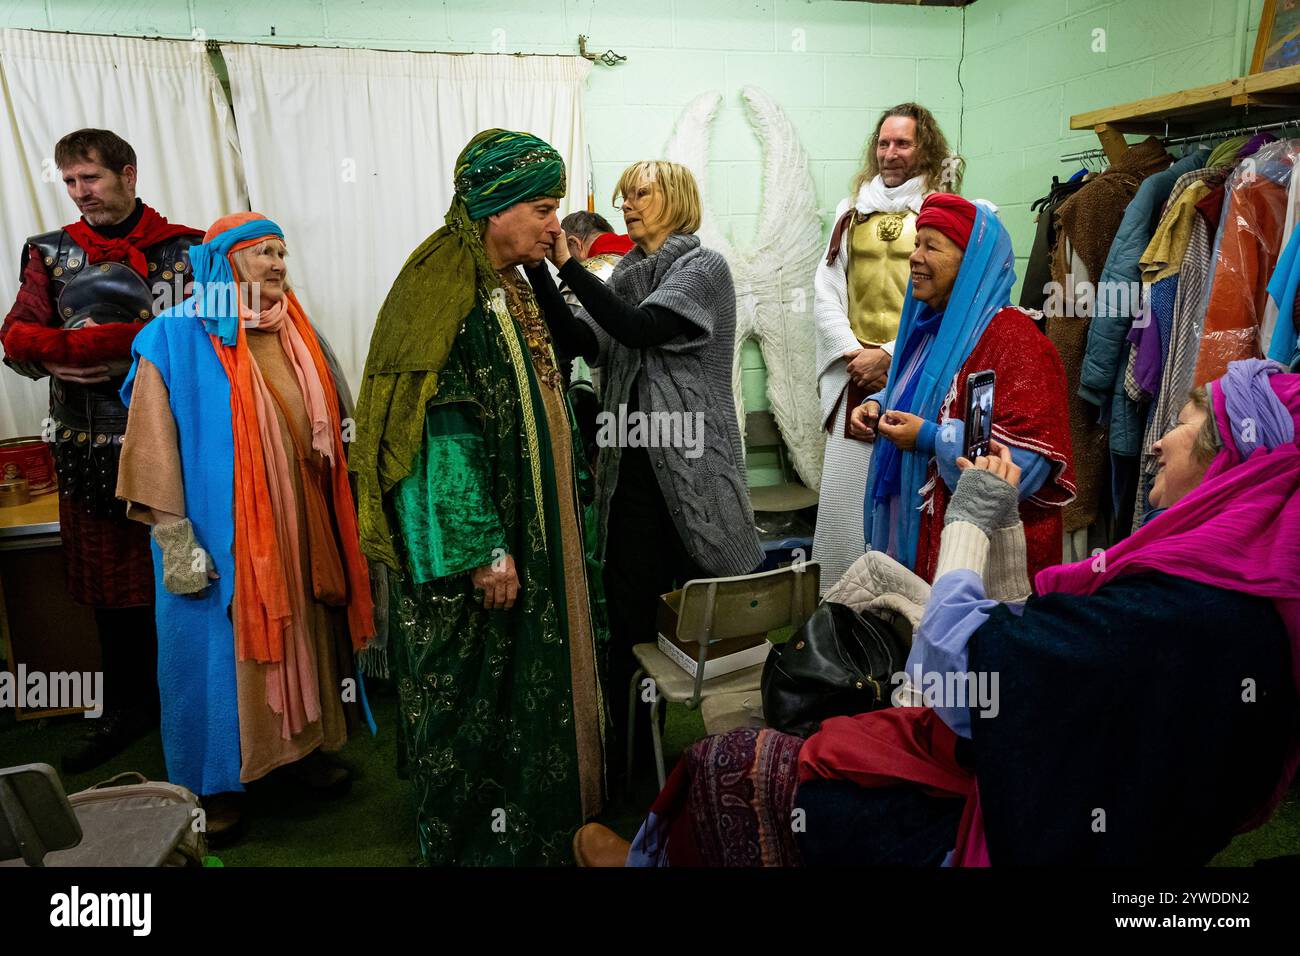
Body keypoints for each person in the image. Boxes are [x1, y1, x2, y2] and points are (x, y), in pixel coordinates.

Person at [578, 359, 1300, 865]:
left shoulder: (1182, 611)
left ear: (1234, 462)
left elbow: (959, 685)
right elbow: (1055, 648)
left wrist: (968, 522)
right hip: (1067, 794)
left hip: (1013, 822)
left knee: (728, 765)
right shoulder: (1248, 599)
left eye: (1181, 424)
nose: (1156, 440)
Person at [351, 129, 606, 866]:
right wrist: (481, 548)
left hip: (528, 526)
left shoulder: (511, 282)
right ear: (494, 208)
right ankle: (473, 842)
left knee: (516, 682)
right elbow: (437, 433)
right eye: (542, 207)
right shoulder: (442, 287)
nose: (555, 225)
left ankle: (536, 817)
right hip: (477, 552)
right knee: (470, 691)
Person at [117, 212, 375, 844]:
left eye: (283, 252)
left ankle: (300, 752)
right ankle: (217, 784)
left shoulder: (299, 331)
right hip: (218, 539)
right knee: (216, 657)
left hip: (300, 525)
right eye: (263, 252)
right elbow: (150, 445)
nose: (279, 264)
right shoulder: (175, 335)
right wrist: (174, 536)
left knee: (305, 637)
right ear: (225, 263)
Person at [528, 159, 764, 776]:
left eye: (641, 193)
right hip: (631, 480)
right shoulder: (629, 270)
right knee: (631, 627)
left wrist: (567, 264)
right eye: (623, 195)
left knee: (710, 627)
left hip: (693, 479)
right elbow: (582, 342)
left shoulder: (702, 268)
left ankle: (739, 761)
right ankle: (632, 764)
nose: (628, 203)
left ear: (677, 197)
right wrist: (538, 269)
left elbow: (635, 329)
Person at [0, 129, 202, 772]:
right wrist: (74, 357)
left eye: (90, 177)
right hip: (88, 448)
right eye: (70, 182)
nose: (80, 193)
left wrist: (120, 348)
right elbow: (17, 338)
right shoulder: (50, 253)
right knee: (113, 590)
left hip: (175, 447)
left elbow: (213, 334)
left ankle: (194, 704)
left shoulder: (190, 249)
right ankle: (127, 709)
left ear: (127, 173)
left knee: (186, 578)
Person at [851, 192, 1075, 583]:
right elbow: (926, 390)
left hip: (986, 567)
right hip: (919, 532)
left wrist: (930, 438)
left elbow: (1026, 464)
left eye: (931, 247)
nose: (914, 257)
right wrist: (879, 402)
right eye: (916, 243)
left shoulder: (1015, 340)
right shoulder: (930, 328)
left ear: (970, 264)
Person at [812, 103, 955, 593]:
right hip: (855, 369)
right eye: (884, 143)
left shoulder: (947, 213)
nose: (891, 153)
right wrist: (855, 354)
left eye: (904, 144)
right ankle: (839, 602)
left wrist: (892, 355)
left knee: (899, 494)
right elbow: (826, 288)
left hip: (915, 367)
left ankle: (894, 608)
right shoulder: (849, 211)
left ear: (924, 148)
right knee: (845, 500)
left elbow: (948, 299)